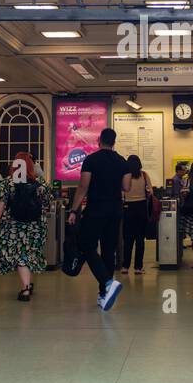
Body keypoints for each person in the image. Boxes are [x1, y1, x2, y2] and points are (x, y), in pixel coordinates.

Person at [67, 127, 131, 310]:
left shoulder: (91, 160)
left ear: (99, 140)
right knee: (109, 251)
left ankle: (107, 283)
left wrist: (73, 210)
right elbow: (126, 187)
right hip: (115, 210)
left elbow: (83, 186)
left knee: (86, 245)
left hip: (96, 209)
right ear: (114, 142)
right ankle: (104, 294)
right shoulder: (122, 162)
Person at [0, 152, 52, 301]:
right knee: (29, 253)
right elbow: (47, 203)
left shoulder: (7, 183)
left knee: (20, 255)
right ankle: (28, 283)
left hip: (14, 224)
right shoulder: (41, 183)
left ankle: (25, 289)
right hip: (36, 225)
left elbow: (1, 204)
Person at [121, 154, 154, 275]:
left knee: (128, 239)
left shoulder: (125, 176)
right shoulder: (144, 175)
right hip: (141, 208)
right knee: (140, 239)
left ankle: (125, 266)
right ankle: (138, 267)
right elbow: (151, 192)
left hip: (128, 208)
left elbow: (121, 192)